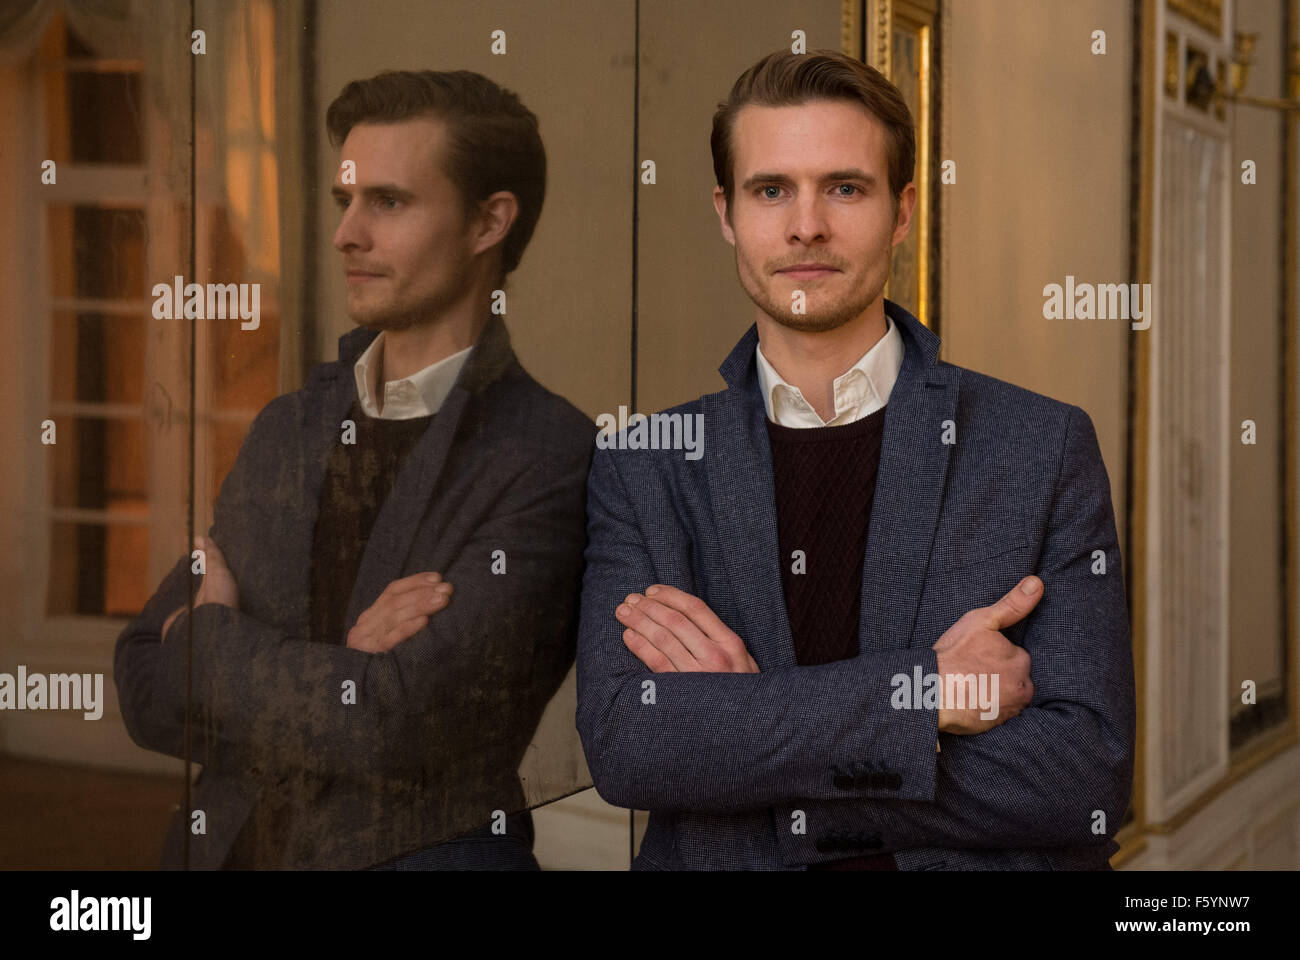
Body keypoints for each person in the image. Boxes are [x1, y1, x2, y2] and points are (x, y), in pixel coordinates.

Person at [575, 49, 1135, 870]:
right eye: (772, 191)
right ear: (726, 213)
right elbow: (631, 747)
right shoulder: (645, 465)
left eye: (845, 187)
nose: (807, 225)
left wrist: (747, 726)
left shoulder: (1040, 446)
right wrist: (925, 695)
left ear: (902, 211)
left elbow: (1082, 778)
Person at [115, 69, 593, 870]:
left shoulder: (550, 454)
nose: (347, 234)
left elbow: (389, 726)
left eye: (390, 202)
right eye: (347, 201)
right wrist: (340, 669)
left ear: (488, 222)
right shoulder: (287, 428)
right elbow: (140, 681)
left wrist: (208, 638)